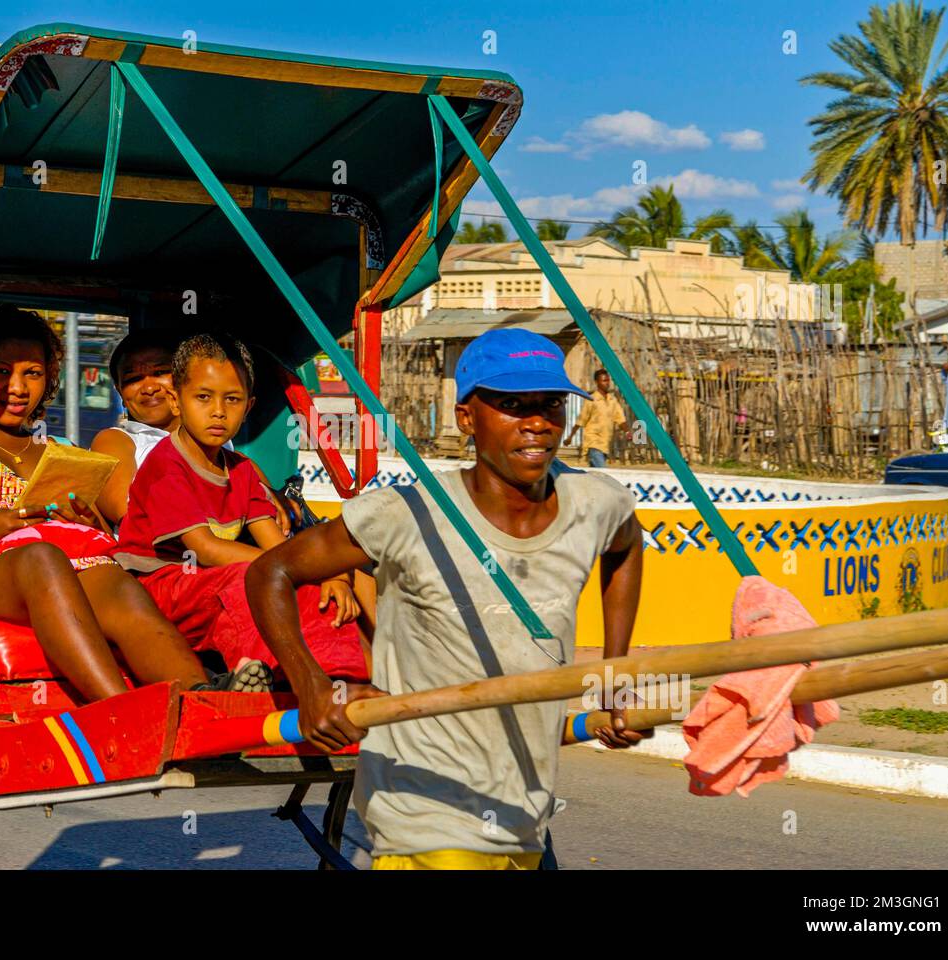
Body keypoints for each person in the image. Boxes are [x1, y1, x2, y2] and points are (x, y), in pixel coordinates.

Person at [244, 328, 646, 870]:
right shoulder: (406, 514)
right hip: (421, 803)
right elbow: (271, 571)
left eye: (550, 404)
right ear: (465, 418)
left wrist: (614, 676)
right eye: (509, 405)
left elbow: (625, 544)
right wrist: (310, 682)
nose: (536, 421)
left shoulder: (593, 502)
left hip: (521, 802)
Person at [0, 305, 270, 702]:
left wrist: (90, 520)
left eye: (32, 373)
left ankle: (200, 696)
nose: (17, 388)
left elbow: (107, 535)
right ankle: (119, 709)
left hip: (78, 561)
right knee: (42, 557)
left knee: (119, 584)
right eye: (0, 372)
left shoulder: (65, 449)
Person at [114, 332, 369, 683]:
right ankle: (271, 676)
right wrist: (289, 568)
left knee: (315, 590)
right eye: (203, 398)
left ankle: (341, 679)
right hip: (158, 587)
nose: (218, 412)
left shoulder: (242, 470)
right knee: (253, 578)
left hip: (210, 585)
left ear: (248, 407)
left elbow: (275, 545)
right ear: (177, 401)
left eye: (231, 400)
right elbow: (205, 547)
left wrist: (323, 574)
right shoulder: (165, 464)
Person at [91, 329, 290, 534]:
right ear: (121, 393)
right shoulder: (117, 439)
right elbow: (129, 512)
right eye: (133, 378)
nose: (149, 388)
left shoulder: (227, 452)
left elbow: (272, 508)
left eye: (160, 372)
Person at [563, 368, 629, 468]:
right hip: (593, 443)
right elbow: (581, 420)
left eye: (608, 380)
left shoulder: (612, 400)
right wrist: (570, 437)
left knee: (595, 475)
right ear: (597, 382)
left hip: (605, 444)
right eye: (604, 380)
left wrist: (628, 432)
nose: (607, 383)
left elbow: (620, 419)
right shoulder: (591, 400)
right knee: (603, 472)